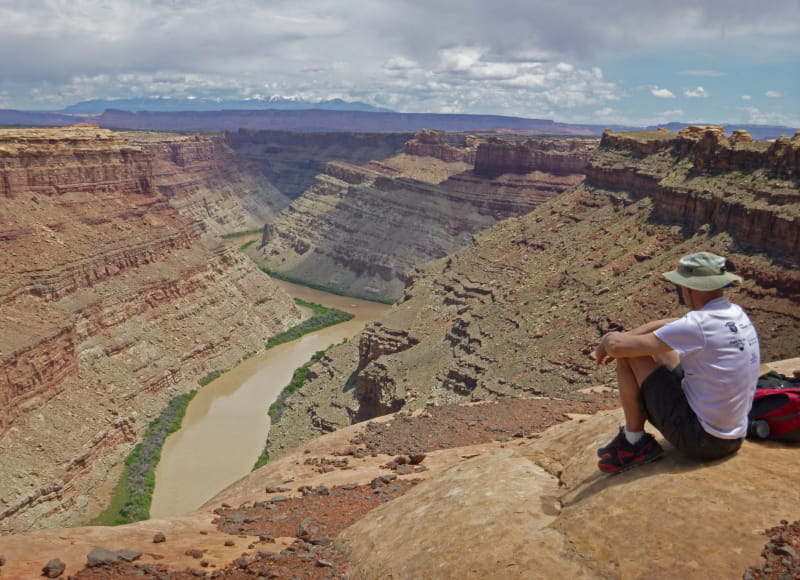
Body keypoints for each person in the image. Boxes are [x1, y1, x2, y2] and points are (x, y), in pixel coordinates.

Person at [594, 251, 760, 473]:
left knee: (628, 356)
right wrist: (639, 330)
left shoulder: (698, 325)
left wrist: (608, 340)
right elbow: (677, 325)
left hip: (701, 441)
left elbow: (618, 347)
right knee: (660, 350)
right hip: (734, 435)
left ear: (690, 288)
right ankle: (633, 440)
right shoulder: (733, 312)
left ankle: (634, 443)